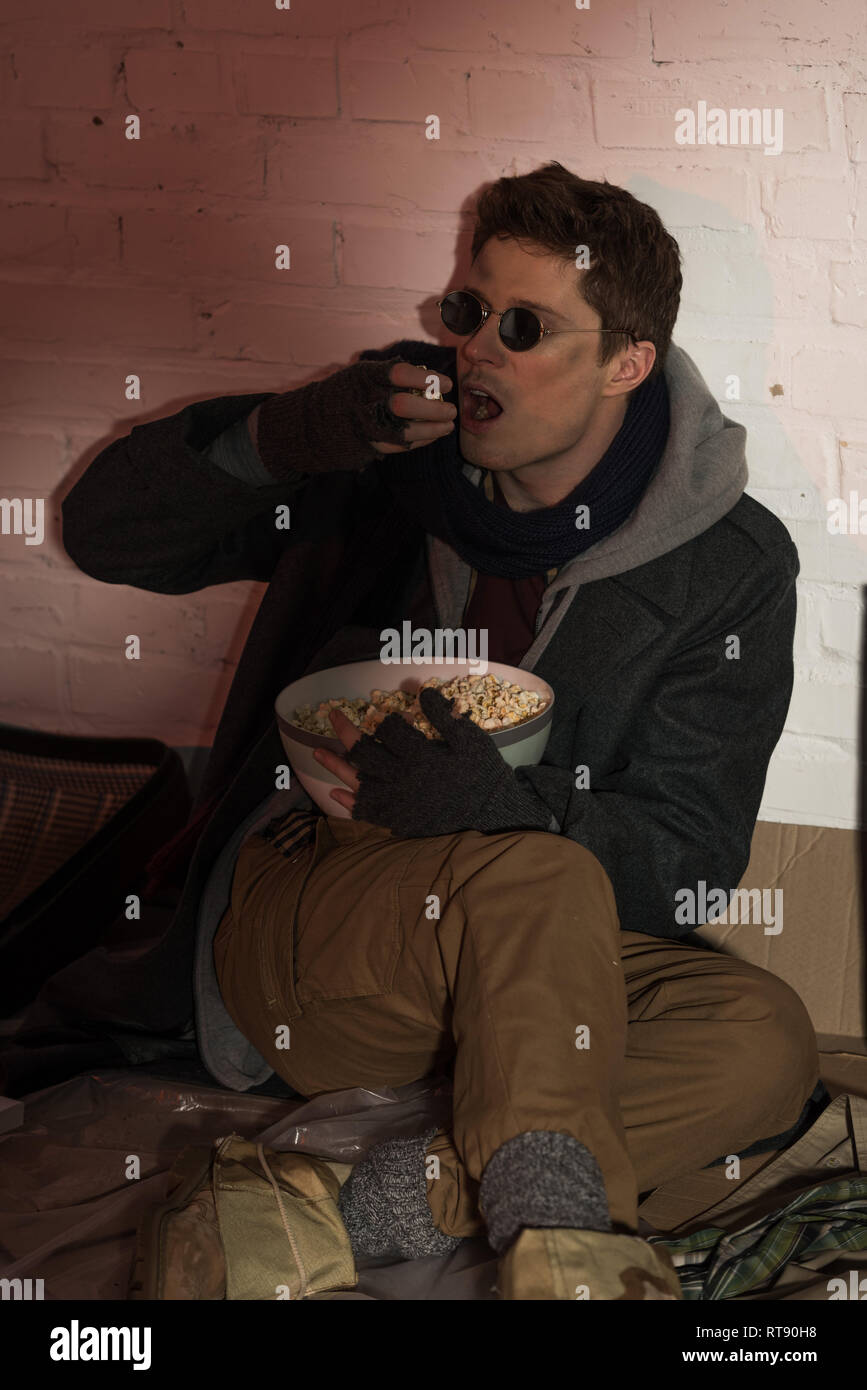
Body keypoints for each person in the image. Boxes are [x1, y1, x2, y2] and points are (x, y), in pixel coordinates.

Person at [32, 163, 821, 1299]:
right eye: (466, 313)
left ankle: (370, 1197)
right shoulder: (384, 456)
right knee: (536, 882)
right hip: (312, 911)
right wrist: (287, 436)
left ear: (628, 363)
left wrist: (507, 806)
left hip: (517, 956)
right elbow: (109, 536)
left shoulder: (727, 569)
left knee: (763, 1033)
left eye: (523, 326)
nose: (475, 352)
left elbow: (690, 862)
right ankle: (569, 1261)